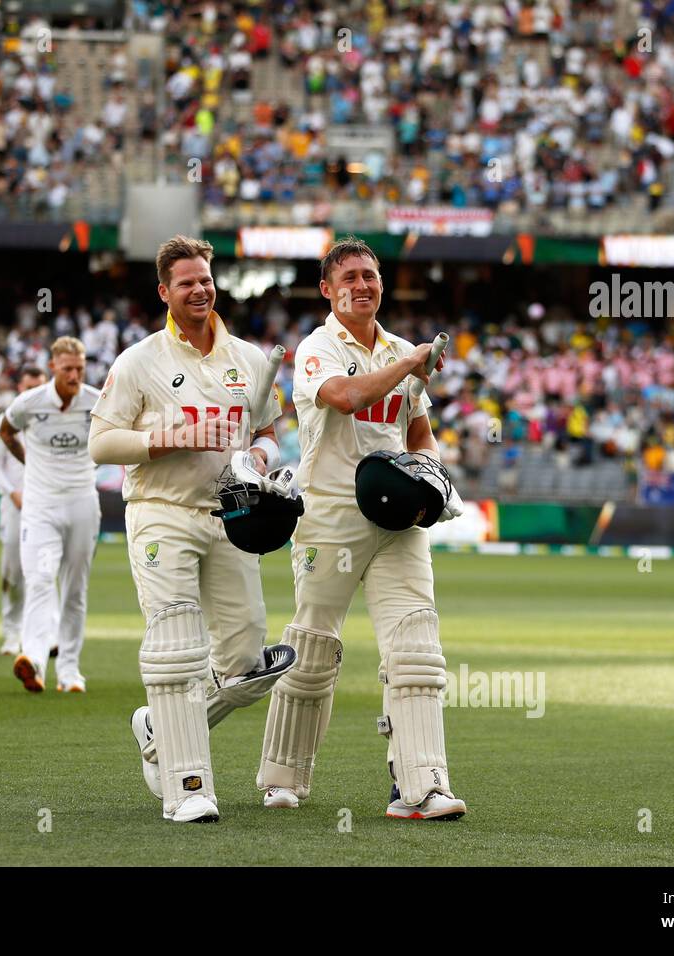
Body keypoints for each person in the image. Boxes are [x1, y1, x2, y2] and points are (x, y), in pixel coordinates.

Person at [256, 236, 465, 821]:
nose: (362, 285)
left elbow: (416, 430)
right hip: (331, 518)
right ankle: (282, 777)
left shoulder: (401, 349)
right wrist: (407, 364)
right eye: (348, 277)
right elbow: (346, 398)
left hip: (399, 520)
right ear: (328, 289)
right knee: (313, 649)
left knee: (416, 648)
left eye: (370, 275)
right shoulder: (318, 348)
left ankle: (421, 786)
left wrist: (428, 477)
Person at [89, 235, 288, 824]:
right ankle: (187, 789)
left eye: (205, 279)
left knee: (249, 663)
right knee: (176, 650)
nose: (199, 289)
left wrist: (257, 458)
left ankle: (160, 728)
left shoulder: (249, 358)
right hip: (161, 512)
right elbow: (102, 442)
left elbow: (268, 430)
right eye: (186, 282)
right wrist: (164, 440)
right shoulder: (139, 361)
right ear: (164, 292)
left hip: (230, 516)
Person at [0, 338, 100, 693]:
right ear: (53, 366)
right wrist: (31, 464)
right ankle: (35, 660)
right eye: (68, 368)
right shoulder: (30, 402)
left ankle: (70, 671)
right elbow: (5, 432)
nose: (74, 375)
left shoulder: (95, 400)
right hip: (41, 506)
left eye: (80, 368)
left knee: (75, 587)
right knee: (41, 578)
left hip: (82, 503)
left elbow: (112, 435)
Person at [0, 365, 47, 656]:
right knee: (12, 567)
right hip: (15, 504)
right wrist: (12, 492)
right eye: (28, 386)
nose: (33, 392)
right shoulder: (6, 421)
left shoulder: (52, 419)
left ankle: (44, 635)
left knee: (44, 570)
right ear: (19, 387)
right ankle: (11, 632)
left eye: (39, 386)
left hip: (47, 504)